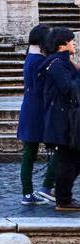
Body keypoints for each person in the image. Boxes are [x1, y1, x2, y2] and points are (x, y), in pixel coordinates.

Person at [39, 25, 80, 212]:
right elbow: (68, 88)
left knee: (71, 158)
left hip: (66, 119)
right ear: (62, 44)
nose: (74, 43)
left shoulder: (61, 62)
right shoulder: (57, 63)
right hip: (62, 120)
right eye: (71, 40)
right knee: (67, 158)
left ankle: (62, 193)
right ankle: (63, 199)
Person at [17, 23, 57, 204]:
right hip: (39, 111)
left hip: (30, 110)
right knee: (59, 148)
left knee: (30, 152)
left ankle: (29, 192)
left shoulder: (31, 58)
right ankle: (46, 186)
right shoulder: (39, 61)